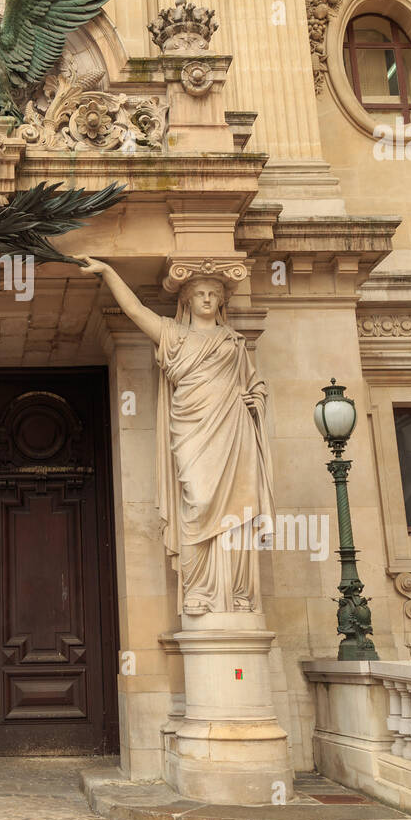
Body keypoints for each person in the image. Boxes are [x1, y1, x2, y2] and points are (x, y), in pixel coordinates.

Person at [77, 257, 274, 615]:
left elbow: (255, 384)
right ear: (187, 299)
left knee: (239, 509)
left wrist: (254, 400)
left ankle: (238, 592)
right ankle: (199, 588)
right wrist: (109, 272)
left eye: (213, 294)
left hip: (233, 431)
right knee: (196, 502)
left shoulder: (233, 342)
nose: (206, 299)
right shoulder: (174, 335)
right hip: (193, 432)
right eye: (199, 293)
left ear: (220, 300)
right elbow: (136, 311)